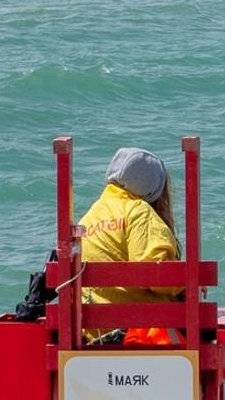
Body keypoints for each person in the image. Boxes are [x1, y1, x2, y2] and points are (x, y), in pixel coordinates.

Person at [78, 147, 182, 344]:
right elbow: (157, 275)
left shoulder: (89, 217)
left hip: (96, 331)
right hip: (142, 332)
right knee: (204, 335)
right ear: (154, 189)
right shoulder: (138, 211)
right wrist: (187, 284)